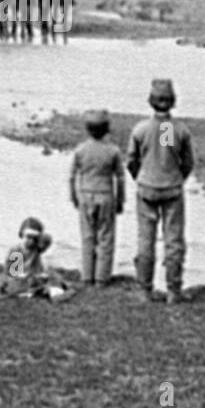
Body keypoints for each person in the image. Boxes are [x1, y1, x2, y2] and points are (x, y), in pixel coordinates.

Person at [127, 79, 195, 305]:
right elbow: (186, 163)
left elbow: (131, 161)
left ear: (150, 101)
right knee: (173, 239)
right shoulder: (178, 129)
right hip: (172, 189)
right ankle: (173, 290)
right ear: (174, 102)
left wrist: (143, 178)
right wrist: (175, 178)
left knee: (145, 238)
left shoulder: (140, 129)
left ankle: (144, 289)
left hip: (147, 188)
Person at [70, 110, 125, 286]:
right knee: (106, 238)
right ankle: (102, 278)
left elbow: (72, 176)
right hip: (105, 194)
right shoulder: (113, 151)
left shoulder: (80, 150)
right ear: (107, 129)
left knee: (87, 237)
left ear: (87, 129)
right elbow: (120, 178)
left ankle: (87, 276)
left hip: (85, 194)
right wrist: (120, 200)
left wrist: (74, 197)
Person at [2, 216, 72, 301]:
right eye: (28, 237)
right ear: (21, 235)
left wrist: (40, 237)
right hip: (19, 280)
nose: (31, 241)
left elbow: (48, 239)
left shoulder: (36, 249)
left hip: (33, 278)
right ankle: (50, 292)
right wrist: (31, 277)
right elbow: (15, 274)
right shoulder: (16, 250)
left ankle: (55, 292)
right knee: (21, 284)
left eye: (34, 238)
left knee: (53, 275)